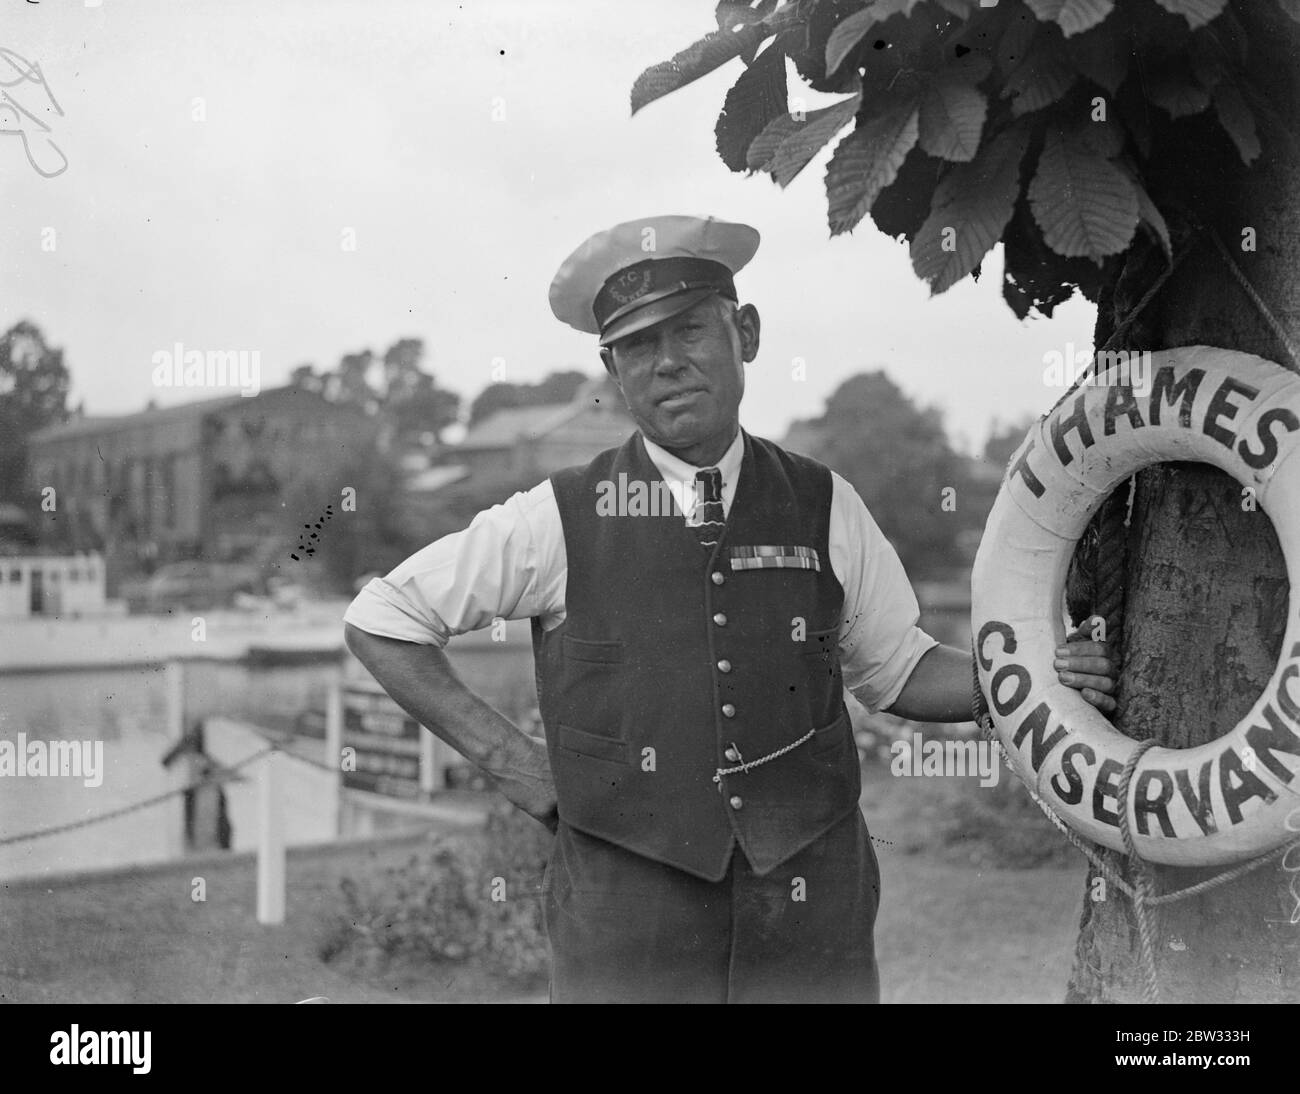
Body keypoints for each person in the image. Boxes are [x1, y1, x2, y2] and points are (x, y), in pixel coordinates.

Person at [342, 214, 1117, 1003]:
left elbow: (897, 669)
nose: (669, 364)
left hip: (811, 910)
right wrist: (514, 763)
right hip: (630, 923)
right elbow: (382, 619)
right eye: (639, 347)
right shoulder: (556, 517)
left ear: (744, 332)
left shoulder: (825, 503)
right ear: (612, 368)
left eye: (689, 330)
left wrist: (1023, 678)